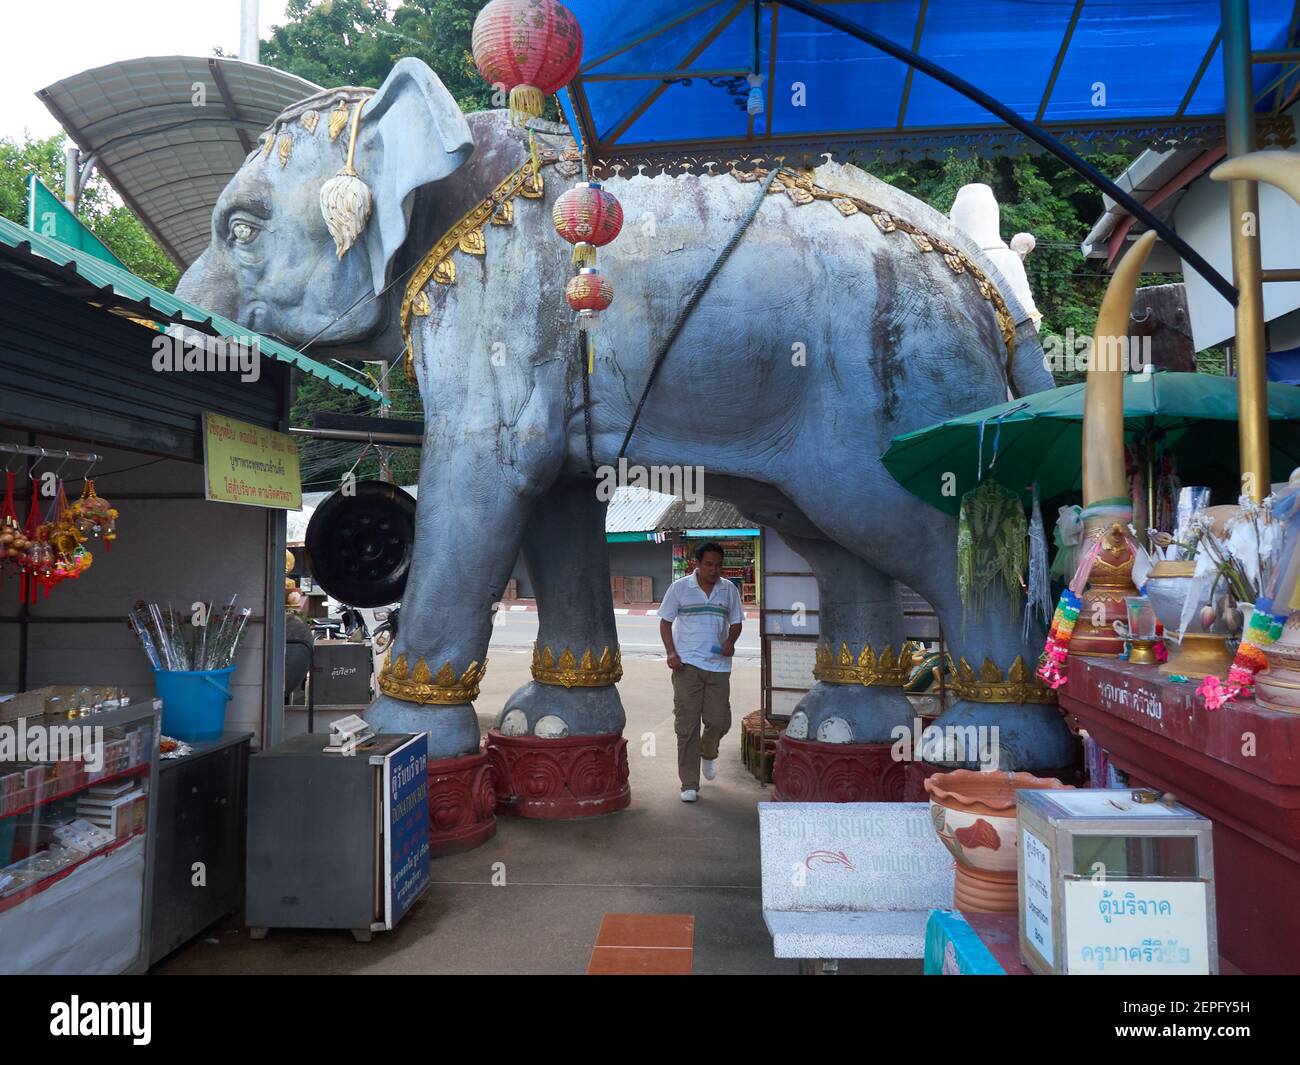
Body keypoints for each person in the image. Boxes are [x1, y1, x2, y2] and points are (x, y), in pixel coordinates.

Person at [658, 542, 744, 802]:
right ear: (697, 563)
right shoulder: (680, 588)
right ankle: (689, 784)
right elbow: (665, 622)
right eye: (709, 564)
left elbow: (736, 622)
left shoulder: (729, 589)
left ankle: (708, 752)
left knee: (719, 721)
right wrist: (671, 653)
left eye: (718, 564)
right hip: (687, 666)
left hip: (718, 666)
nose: (714, 569)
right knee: (687, 725)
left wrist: (730, 641)